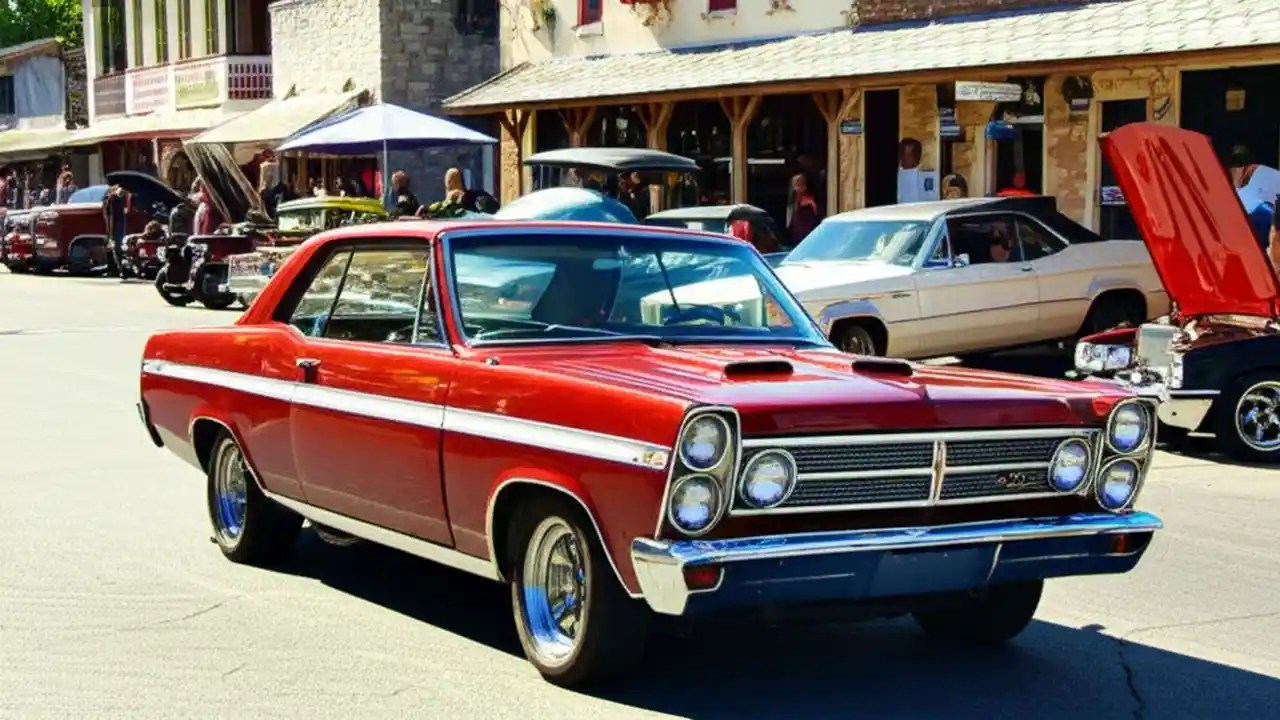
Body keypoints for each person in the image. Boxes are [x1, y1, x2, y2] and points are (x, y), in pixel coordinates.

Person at [787, 173, 822, 245]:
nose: (796, 188)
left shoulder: (809, 202)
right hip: (795, 237)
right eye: (795, 185)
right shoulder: (792, 202)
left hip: (807, 237)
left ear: (805, 186)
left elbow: (816, 216)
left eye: (799, 184)